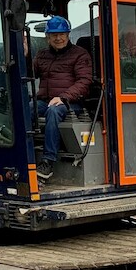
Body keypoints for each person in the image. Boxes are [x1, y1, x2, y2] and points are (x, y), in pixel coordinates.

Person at [34, 16, 92, 180]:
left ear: (68, 35)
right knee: (25, 109)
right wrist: (23, 55)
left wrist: (64, 97)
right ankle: (25, 155)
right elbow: (30, 73)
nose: (58, 38)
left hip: (71, 102)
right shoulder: (42, 55)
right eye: (54, 35)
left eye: (62, 34)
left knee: (53, 111)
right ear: (47, 37)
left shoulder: (80, 55)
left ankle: (47, 162)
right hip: (45, 100)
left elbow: (84, 81)